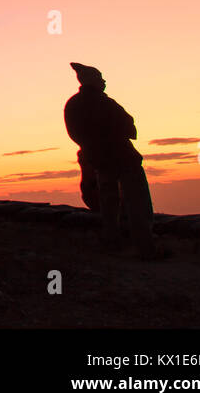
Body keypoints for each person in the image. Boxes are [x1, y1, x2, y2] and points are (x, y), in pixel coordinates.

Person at [63, 63, 161, 259]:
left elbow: (74, 134)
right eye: (100, 77)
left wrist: (92, 147)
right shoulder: (104, 103)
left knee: (108, 203)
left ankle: (112, 242)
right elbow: (129, 126)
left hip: (99, 160)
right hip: (123, 158)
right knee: (137, 202)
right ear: (92, 80)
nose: (104, 81)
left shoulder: (73, 105)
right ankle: (145, 247)